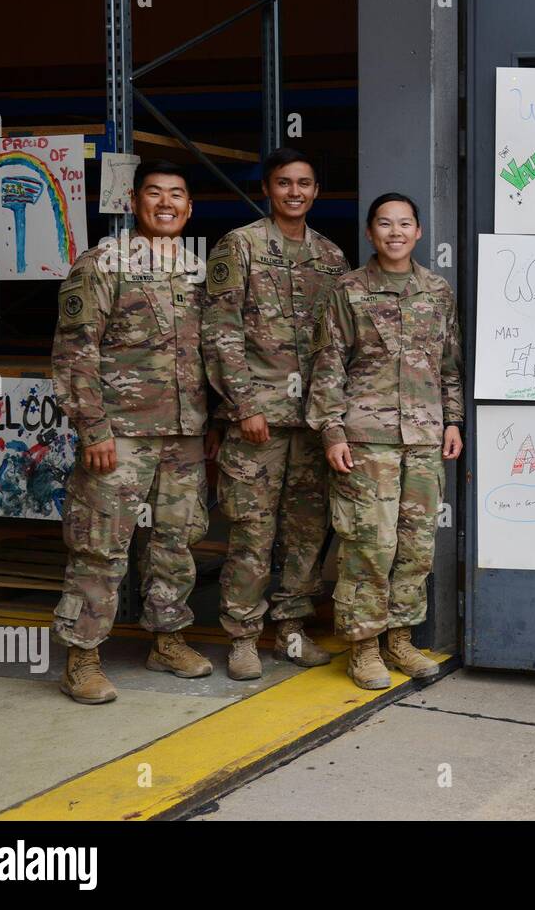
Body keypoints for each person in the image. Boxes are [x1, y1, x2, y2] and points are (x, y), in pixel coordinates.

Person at [51, 160, 211, 703]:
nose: (166, 203)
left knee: (177, 539)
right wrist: (92, 428)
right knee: (101, 543)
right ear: (135, 202)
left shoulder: (198, 270)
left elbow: (215, 352)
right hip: (120, 432)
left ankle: (166, 639)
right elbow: (76, 349)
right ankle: (83, 655)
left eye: (177, 195)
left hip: (185, 433)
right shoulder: (103, 263)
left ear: (189, 208)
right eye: (154, 193)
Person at [201, 148, 350, 680]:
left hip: (312, 423)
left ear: (315, 192)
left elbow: (340, 344)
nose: (294, 192)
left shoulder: (332, 258)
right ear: (268, 189)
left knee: (307, 531)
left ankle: (290, 629)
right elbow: (220, 331)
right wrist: (242, 406)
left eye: (304, 183)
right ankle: (242, 636)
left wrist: (332, 418)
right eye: (284, 183)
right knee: (251, 531)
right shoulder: (239, 246)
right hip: (258, 420)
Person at [307, 193, 463, 689]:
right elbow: (327, 365)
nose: (395, 232)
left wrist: (453, 421)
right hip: (366, 439)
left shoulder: (437, 291)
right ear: (371, 234)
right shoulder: (348, 291)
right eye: (384, 224)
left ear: (418, 233)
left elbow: (449, 366)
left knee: (416, 546)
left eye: (404, 224)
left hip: (423, 438)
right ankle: (364, 646)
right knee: (370, 544)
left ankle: (400, 639)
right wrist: (331, 430)